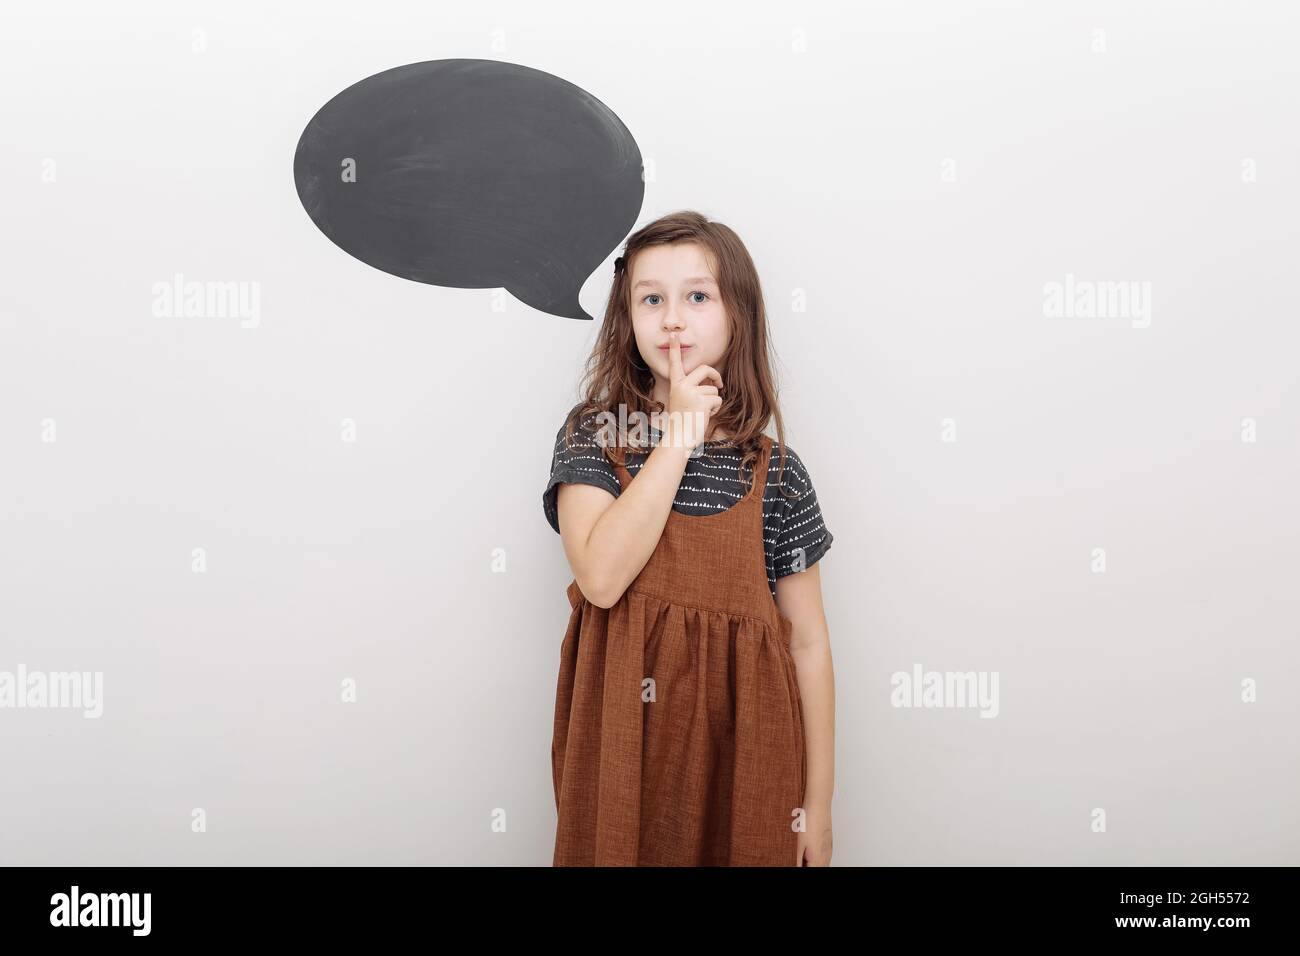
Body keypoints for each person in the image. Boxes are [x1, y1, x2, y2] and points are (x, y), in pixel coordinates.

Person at [543, 210, 835, 866]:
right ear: (629, 318)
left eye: (697, 297)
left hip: (746, 760)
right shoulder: (595, 435)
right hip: (623, 748)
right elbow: (601, 576)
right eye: (652, 300)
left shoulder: (779, 475)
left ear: (738, 318)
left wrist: (818, 807)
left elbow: (810, 643)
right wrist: (676, 434)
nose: (672, 319)